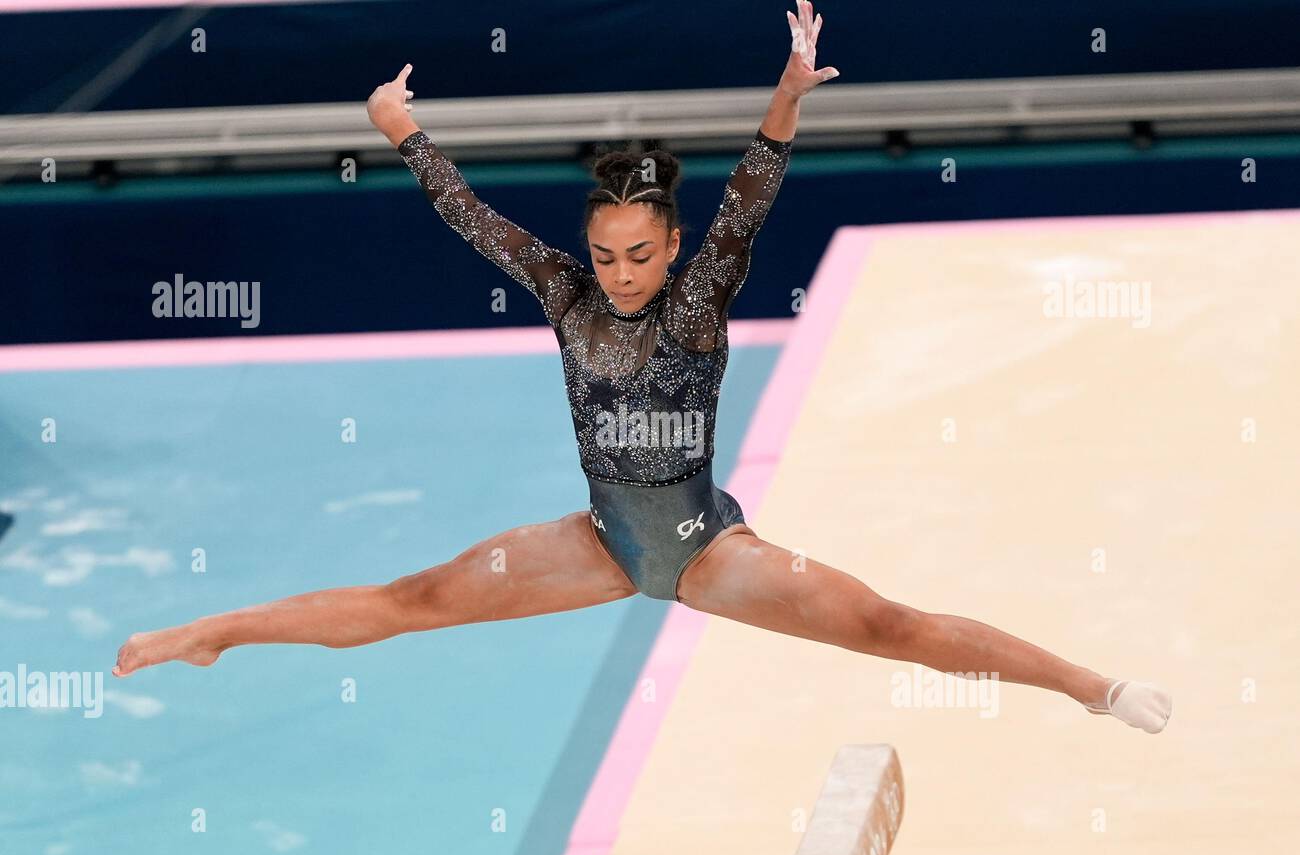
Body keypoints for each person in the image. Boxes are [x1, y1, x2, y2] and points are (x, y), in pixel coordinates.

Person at [113, 1, 1171, 734]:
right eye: (607, 255)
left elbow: (754, 187)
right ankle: (213, 631)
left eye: (640, 256)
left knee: (888, 626)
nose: (620, 275)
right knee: (412, 597)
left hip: (707, 544)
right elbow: (469, 216)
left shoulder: (701, 298)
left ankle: (1090, 685)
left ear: (671, 249)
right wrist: (402, 130)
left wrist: (790, 93)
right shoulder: (561, 287)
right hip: (598, 539)